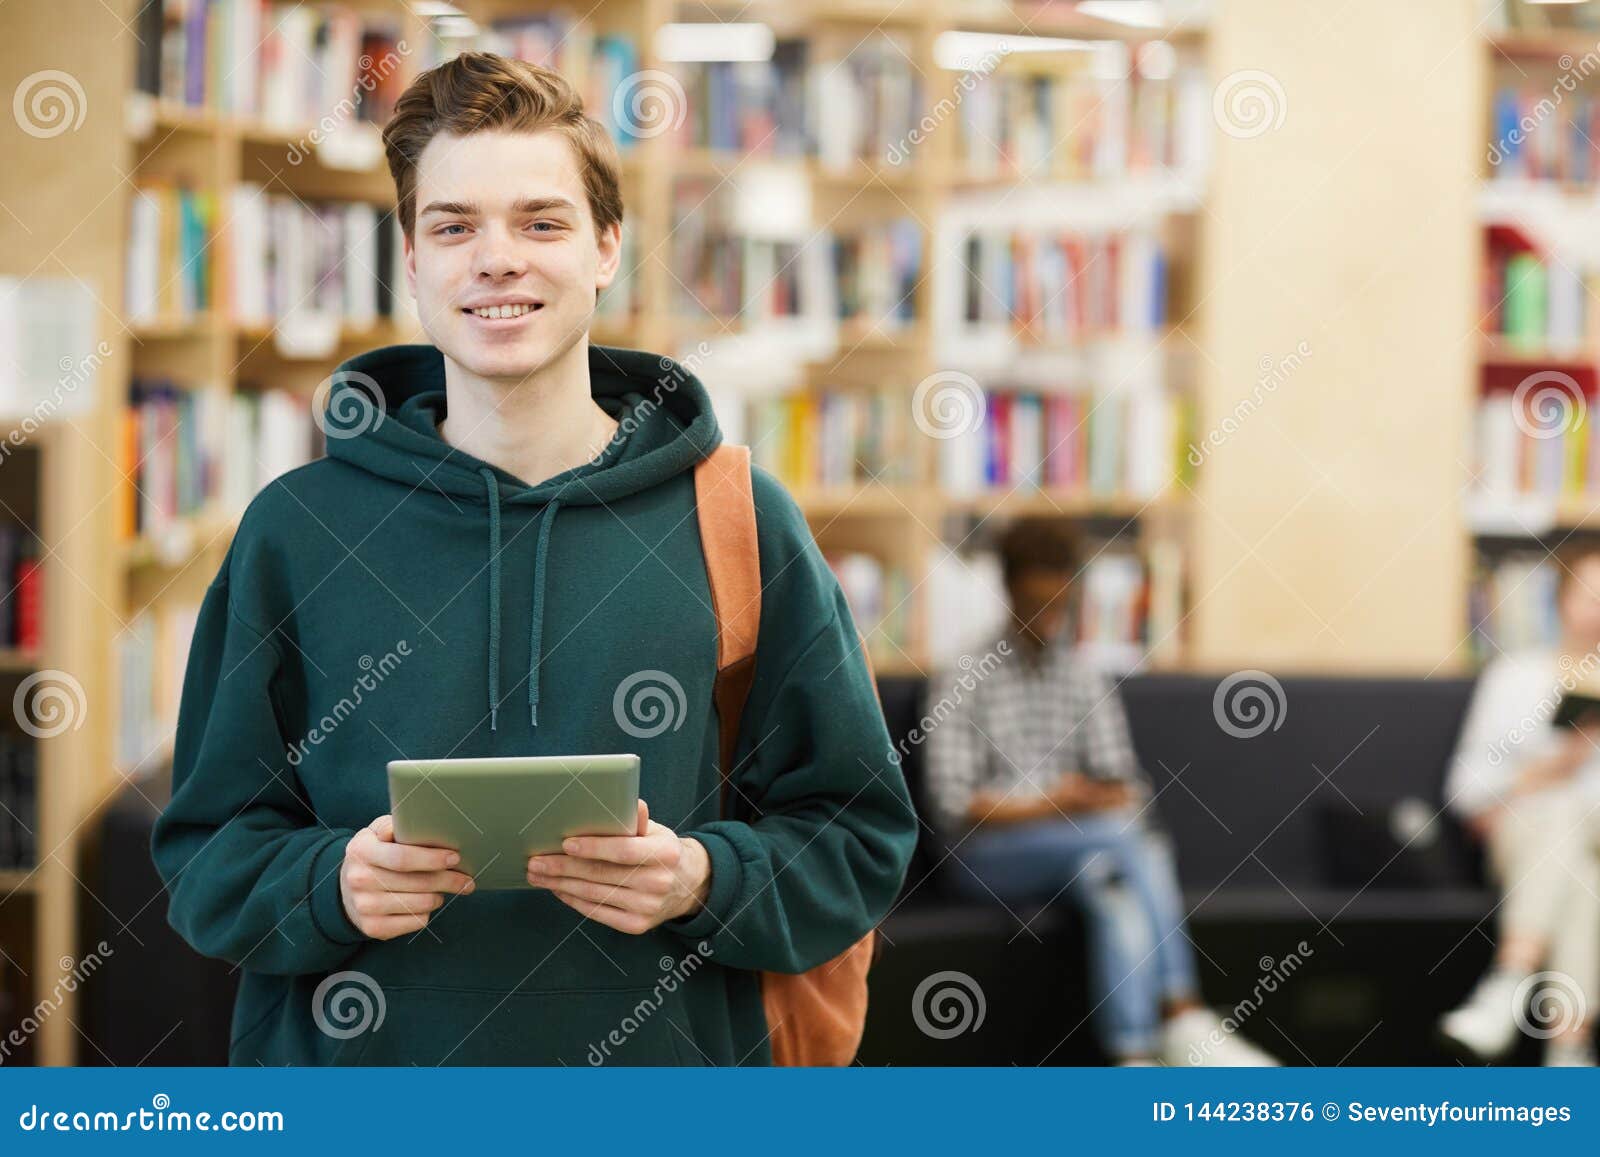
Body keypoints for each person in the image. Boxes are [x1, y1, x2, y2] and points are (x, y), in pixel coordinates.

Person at [149, 52, 916, 1066]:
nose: (496, 259)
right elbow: (206, 856)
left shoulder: (740, 519)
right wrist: (327, 885)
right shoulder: (296, 530)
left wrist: (704, 877)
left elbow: (858, 837)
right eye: (453, 226)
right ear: (411, 258)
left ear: (606, 247)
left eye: (540, 222)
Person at [923, 518, 1279, 1066]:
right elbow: (953, 806)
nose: (1050, 616)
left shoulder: (1083, 675)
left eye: (1060, 602)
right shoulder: (964, 674)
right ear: (1011, 590)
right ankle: (1182, 1011)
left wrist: (1082, 804)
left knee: (1111, 887)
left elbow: (1127, 787)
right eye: (1037, 602)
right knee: (1126, 841)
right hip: (983, 859)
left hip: (1084, 847)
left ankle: (1134, 1056)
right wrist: (1055, 804)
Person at [1438, 544, 1600, 1067]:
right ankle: (1570, 1049)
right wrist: (1550, 770)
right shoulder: (1515, 678)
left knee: (1578, 841)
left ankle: (1509, 982)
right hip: (1521, 835)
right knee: (1575, 850)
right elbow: (1466, 790)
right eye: (1590, 597)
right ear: (1561, 600)